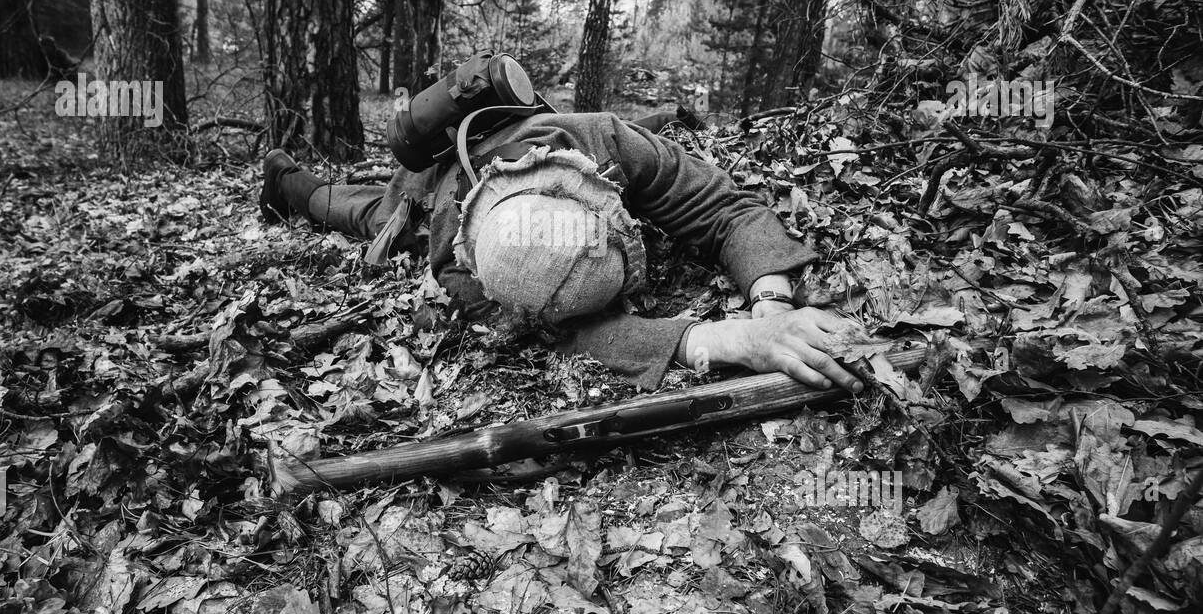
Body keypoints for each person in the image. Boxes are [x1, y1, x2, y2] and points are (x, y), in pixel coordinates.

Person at [260, 108, 863, 394]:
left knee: (358, 205)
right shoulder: (460, 270)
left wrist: (771, 306)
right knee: (358, 211)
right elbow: (568, 333)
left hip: (502, 140)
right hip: (426, 196)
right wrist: (722, 342)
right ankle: (287, 180)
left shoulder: (608, 141)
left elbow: (725, 209)